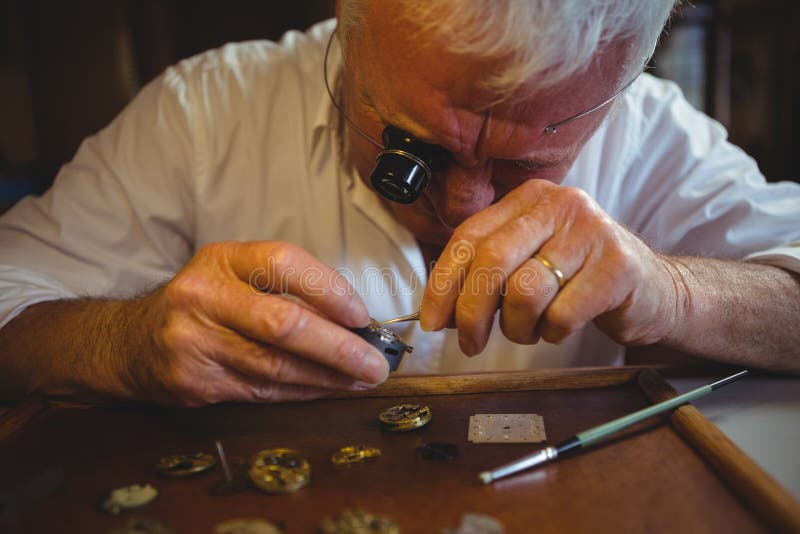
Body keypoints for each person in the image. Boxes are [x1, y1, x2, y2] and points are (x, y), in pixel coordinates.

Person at [0, 0, 798, 405]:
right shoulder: (202, 116)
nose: (462, 204)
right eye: (411, 149)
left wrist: (676, 294)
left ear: (615, 89)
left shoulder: (656, 135)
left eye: (525, 165)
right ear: (349, 29)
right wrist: (127, 342)